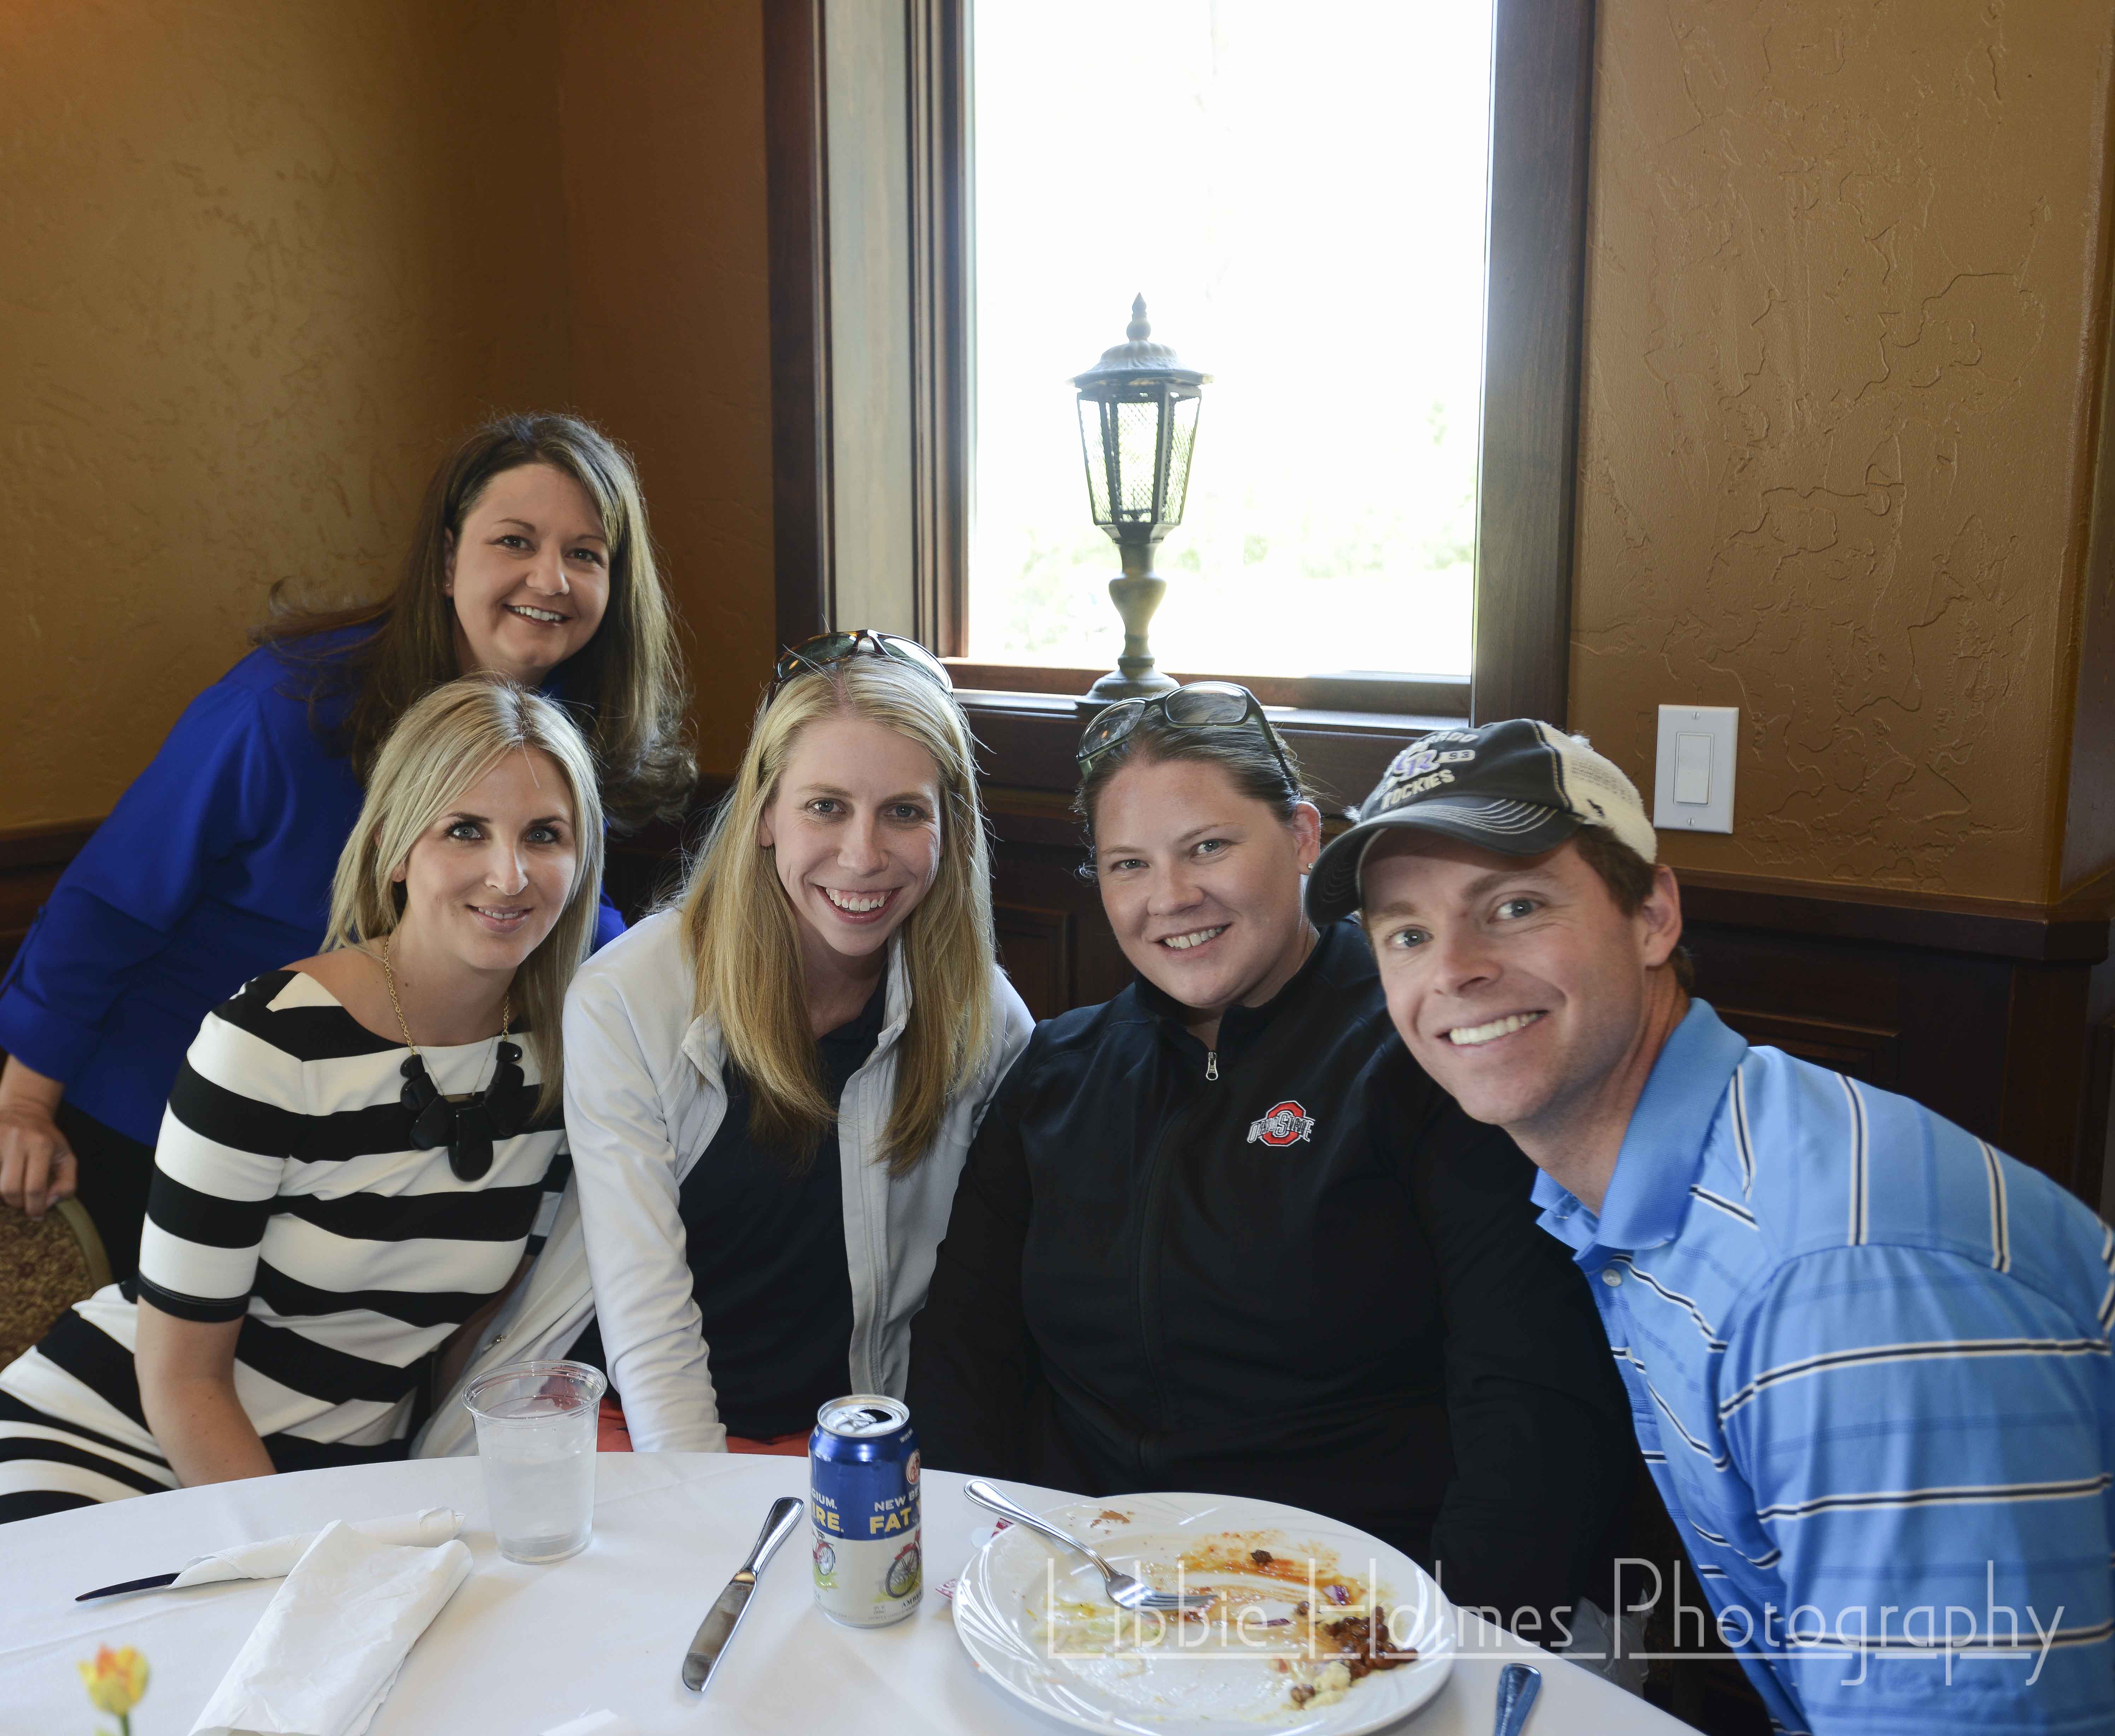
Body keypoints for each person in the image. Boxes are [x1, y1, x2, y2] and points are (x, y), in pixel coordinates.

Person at [1311, 717, 2115, 1732]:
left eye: (1514, 906)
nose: (1453, 971)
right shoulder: (1656, 1186)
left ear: (1653, 915)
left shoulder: (1833, 1288)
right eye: (1407, 935)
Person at [906, 684, 1631, 1628]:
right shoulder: (1055, 1070)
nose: (1170, 898)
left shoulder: (1426, 1043)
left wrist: (1459, 1645)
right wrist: (971, 1578)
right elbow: (968, 1354)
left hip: (1356, 1601)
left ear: (1301, 836)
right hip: (1086, 1590)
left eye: (1209, 847)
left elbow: (1526, 1398)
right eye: (1130, 864)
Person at [0, 413, 693, 1279]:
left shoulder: (570, 734)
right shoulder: (289, 703)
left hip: (376, 1147)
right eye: (515, 541)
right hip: (167, 1123)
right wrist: (22, 1105)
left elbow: (578, 929)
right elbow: (116, 896)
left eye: (585, 553)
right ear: (449, 554)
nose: (551, 578)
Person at [0, 676, 605, 1528]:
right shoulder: (271, 1042)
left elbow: (470, 1345)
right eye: (464, 829)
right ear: (394, 845)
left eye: (545, 834)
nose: (510, 874)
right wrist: (309, 1559)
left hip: (333, 1486)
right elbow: (180, 1379)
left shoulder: (566, 1056)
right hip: (100, 1451)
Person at [564, 633, 1033, 1453]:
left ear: (948, 830)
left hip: (855, 1440)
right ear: (764, 815)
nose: (862, 855)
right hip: (639, 1430)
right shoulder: (629, 996)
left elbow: (992, 1303)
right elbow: (647, 1316)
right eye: (825, 806)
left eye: (903, 812)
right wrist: (705, 1512)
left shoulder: (980, 1015)